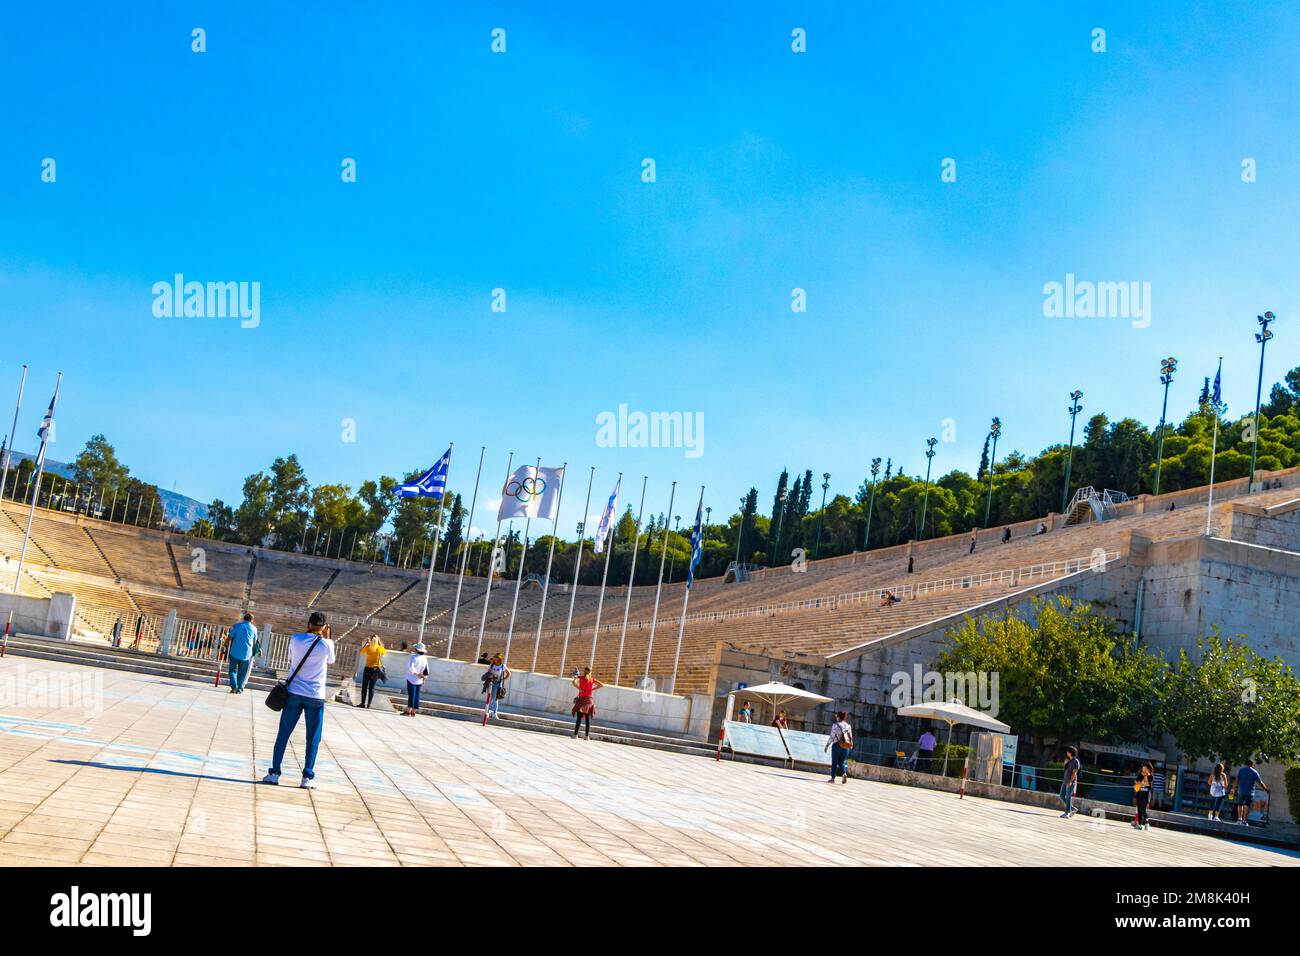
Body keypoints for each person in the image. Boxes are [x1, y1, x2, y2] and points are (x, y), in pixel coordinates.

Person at [263, 611, 336, 789]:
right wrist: (327, 638)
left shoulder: (296, 639)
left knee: (283, 733)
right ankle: (307, 777)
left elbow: (291, 659)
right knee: (313, 737)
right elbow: (331, 661)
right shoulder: (327, 644)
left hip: (294, 692)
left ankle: (274, 773)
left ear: (308, 624)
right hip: (315, 695)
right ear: (324, 627)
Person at [225, 612, 258, 694]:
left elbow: (230, 636)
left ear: (244, 618)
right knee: (242, 673)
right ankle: (239, 689)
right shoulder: (254, 629)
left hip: (234, 652)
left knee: (232, 670)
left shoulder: (237, 626)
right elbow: (255, 641)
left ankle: (234, 687)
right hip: (246, 654)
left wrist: (225, 644)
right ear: (252, 620)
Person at [571, 666, 603, 739]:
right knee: (587, 719)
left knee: (579, 717)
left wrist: (579, 688)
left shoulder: (581, 677)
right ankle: (587, 736)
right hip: (589, 700)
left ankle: (575, 735)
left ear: (584, 671)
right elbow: (601, 685)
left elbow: (573, 682)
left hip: (582, 699)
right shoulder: (592, 679)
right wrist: (592, 689)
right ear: (590, 672)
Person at [1234, 759, 1269, 825]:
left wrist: (1233, 788)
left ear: (1246, 764)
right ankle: (1244, 821)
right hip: (1250, 792)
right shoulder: (1254, 772)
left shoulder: (1241, 770)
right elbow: (1260, 782)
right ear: (1252, 765)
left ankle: (1239, 819)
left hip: (1241, 790)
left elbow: (1237, 780)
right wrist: (1266, 789)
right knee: (1247, 806)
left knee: (1240, 804)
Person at [823, 711, 852, 784]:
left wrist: (827, 745)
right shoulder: (848, 726)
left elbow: (832, 737)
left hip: (837, 745)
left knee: (835, 762)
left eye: (837, 716)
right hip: (846, 746)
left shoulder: (835, 725)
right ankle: (844, 773)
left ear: (838, 717)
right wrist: (850, 745)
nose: (836, 717)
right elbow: (850, 737)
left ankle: (832, 778)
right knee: (842, 761)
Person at [358, 634, 387, 708]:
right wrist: (380, 643)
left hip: (367, 668)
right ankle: (369, 704)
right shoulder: (379, 648)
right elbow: (384, 652)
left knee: (364, 687)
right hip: (375, 670)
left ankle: (362, 703)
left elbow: (361, 651)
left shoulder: (368, 647)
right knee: (372, 688)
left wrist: (367, 643)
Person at [405, 642, 428, 716]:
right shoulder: (424, 658)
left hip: (412, 678)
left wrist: (417, 673)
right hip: (420, 679)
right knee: (417, 695)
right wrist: (424, 678)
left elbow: (410, 667)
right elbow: (426, 670)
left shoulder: (413, 657)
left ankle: (408, 710)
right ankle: (414, 711)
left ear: (417, 649)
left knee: (411, 694)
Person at [484, 653, 509, 720]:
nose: (495, 658)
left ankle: (494, 713)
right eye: (494, 657)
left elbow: (508, 673)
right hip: (491, 683)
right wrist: (490, 675)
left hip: (498, 684)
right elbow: (488, 672)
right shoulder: (492, 665)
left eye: (496, 657)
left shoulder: (502, 666)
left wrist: (502, 679)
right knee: (490, 698)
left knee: (495, 699)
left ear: (499, 658)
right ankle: (488, 712)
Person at [1059, 746, 1080, 818]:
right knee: (1061, 795)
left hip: (1070, 781)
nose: (1066, 753)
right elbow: (1065, 770)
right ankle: (1072, 808)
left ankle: (1067, 813)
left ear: (1071, 753)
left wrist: (1071, 781)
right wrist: (1065, 763)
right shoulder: (1069, 760)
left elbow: (1074, 773)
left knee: (1068, 796)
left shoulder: (1076, 761)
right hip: (1065, 781)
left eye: (1068, 751)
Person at [1133, 762, 1153, 831]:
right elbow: (1136, 782)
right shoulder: (1140, 775)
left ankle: (1147, 822)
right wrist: (1137, 783)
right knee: (1139, 809)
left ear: (1148, 769)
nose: (1143, 769)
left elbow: (1147, 784)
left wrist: (1145, 777)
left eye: (1144, 768)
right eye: (1143, 768)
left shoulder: (1150, 776)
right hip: (1139, 794)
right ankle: (1139, 825)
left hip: (1146, 795)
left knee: (1143, 809)